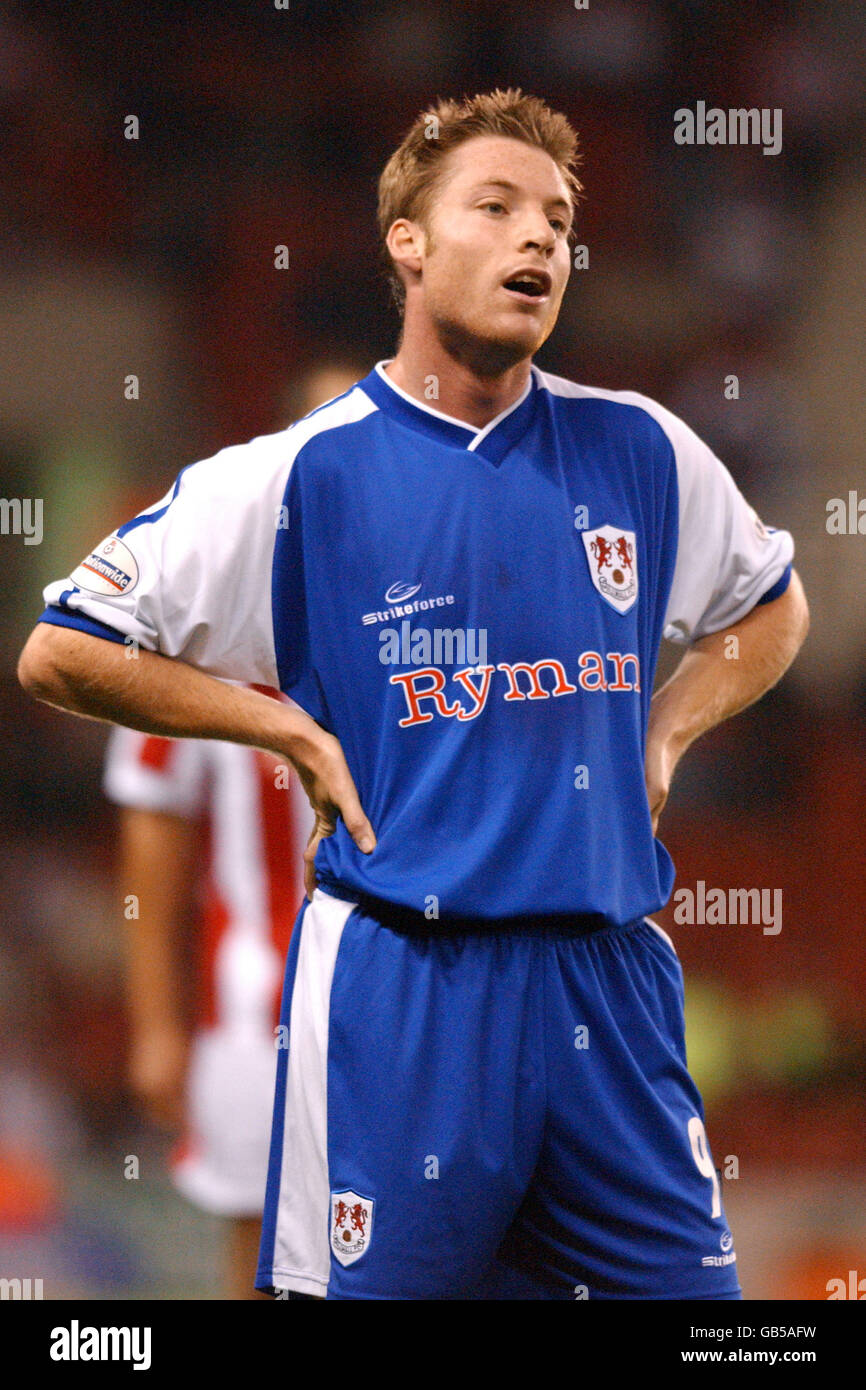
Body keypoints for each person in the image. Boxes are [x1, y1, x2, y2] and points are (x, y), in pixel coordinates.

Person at [19, 88, 809, 1300]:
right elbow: (62, 647)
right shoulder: (294, 474)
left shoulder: (642, 448)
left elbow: (772, 606)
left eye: (555, 218)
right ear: (408, 242)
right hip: (406, 991)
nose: (537, 239)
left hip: (611, 983)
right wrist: (279, 721)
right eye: (494, 209)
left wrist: (667, 725)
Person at [104, 706, 312, 1299]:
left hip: (413, 1005)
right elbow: (152, 819)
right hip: (256, 1011)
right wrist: (156, 1026)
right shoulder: (188, 645)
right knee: (268, 1245)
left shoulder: (416, 634)